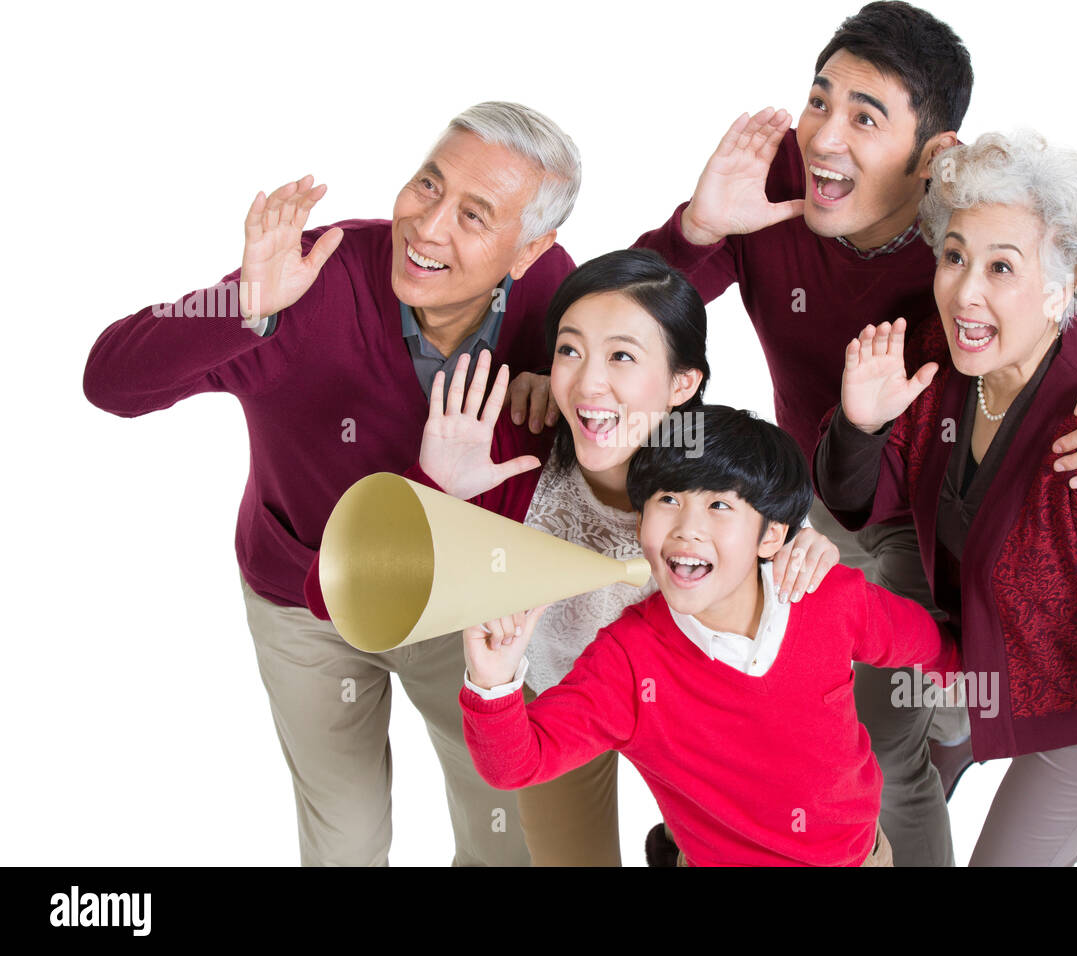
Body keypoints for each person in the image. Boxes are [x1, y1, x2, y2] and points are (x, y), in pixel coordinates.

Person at [619, 1, 1077, 866]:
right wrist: (702, 227)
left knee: (895, 733)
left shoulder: (982, 245)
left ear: (933, 154)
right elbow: (634, 324)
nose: (825, 138)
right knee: (839, 706)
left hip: (927, 534)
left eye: (866, 117)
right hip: (834, 491)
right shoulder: (784, 183)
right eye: (819, 101)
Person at [83, 101, 581, 866]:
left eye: (475, 215)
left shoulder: (554, 290)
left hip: (462, 607)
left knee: (504, 832)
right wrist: (240, 306)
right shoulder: (306, 281)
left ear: (530, 247)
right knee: (344, 842)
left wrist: (565, 378)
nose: (429, 226)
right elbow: (112, 380)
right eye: (426, 184)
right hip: (305, 599)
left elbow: (646, 369)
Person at [306, 249, 841, 865]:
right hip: (555, 700)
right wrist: (435, 484)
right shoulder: (512, 446)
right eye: (569, 349)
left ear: (683, 384)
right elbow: (330, 595)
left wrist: (806, 546)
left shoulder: (723, 478)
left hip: (695, 712)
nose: (587, 383)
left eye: (621, 356)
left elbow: (787, 573)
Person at [814, 131, 1077, 866]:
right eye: (954, 256)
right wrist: (860, 425)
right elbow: (855, 498)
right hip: (1029, 682)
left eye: (1002, 267)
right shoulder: (951, 369)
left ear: (1064, 288)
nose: (965, 290)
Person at [458, 404, 960, 866]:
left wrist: (962, 674)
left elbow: (918, 639)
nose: (687, 528)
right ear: (640, 523)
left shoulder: (828, 597)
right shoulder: (628, 659)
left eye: (720, 506)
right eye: (668, 499)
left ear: (771, 535)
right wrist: (493, 683)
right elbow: (517, 764)